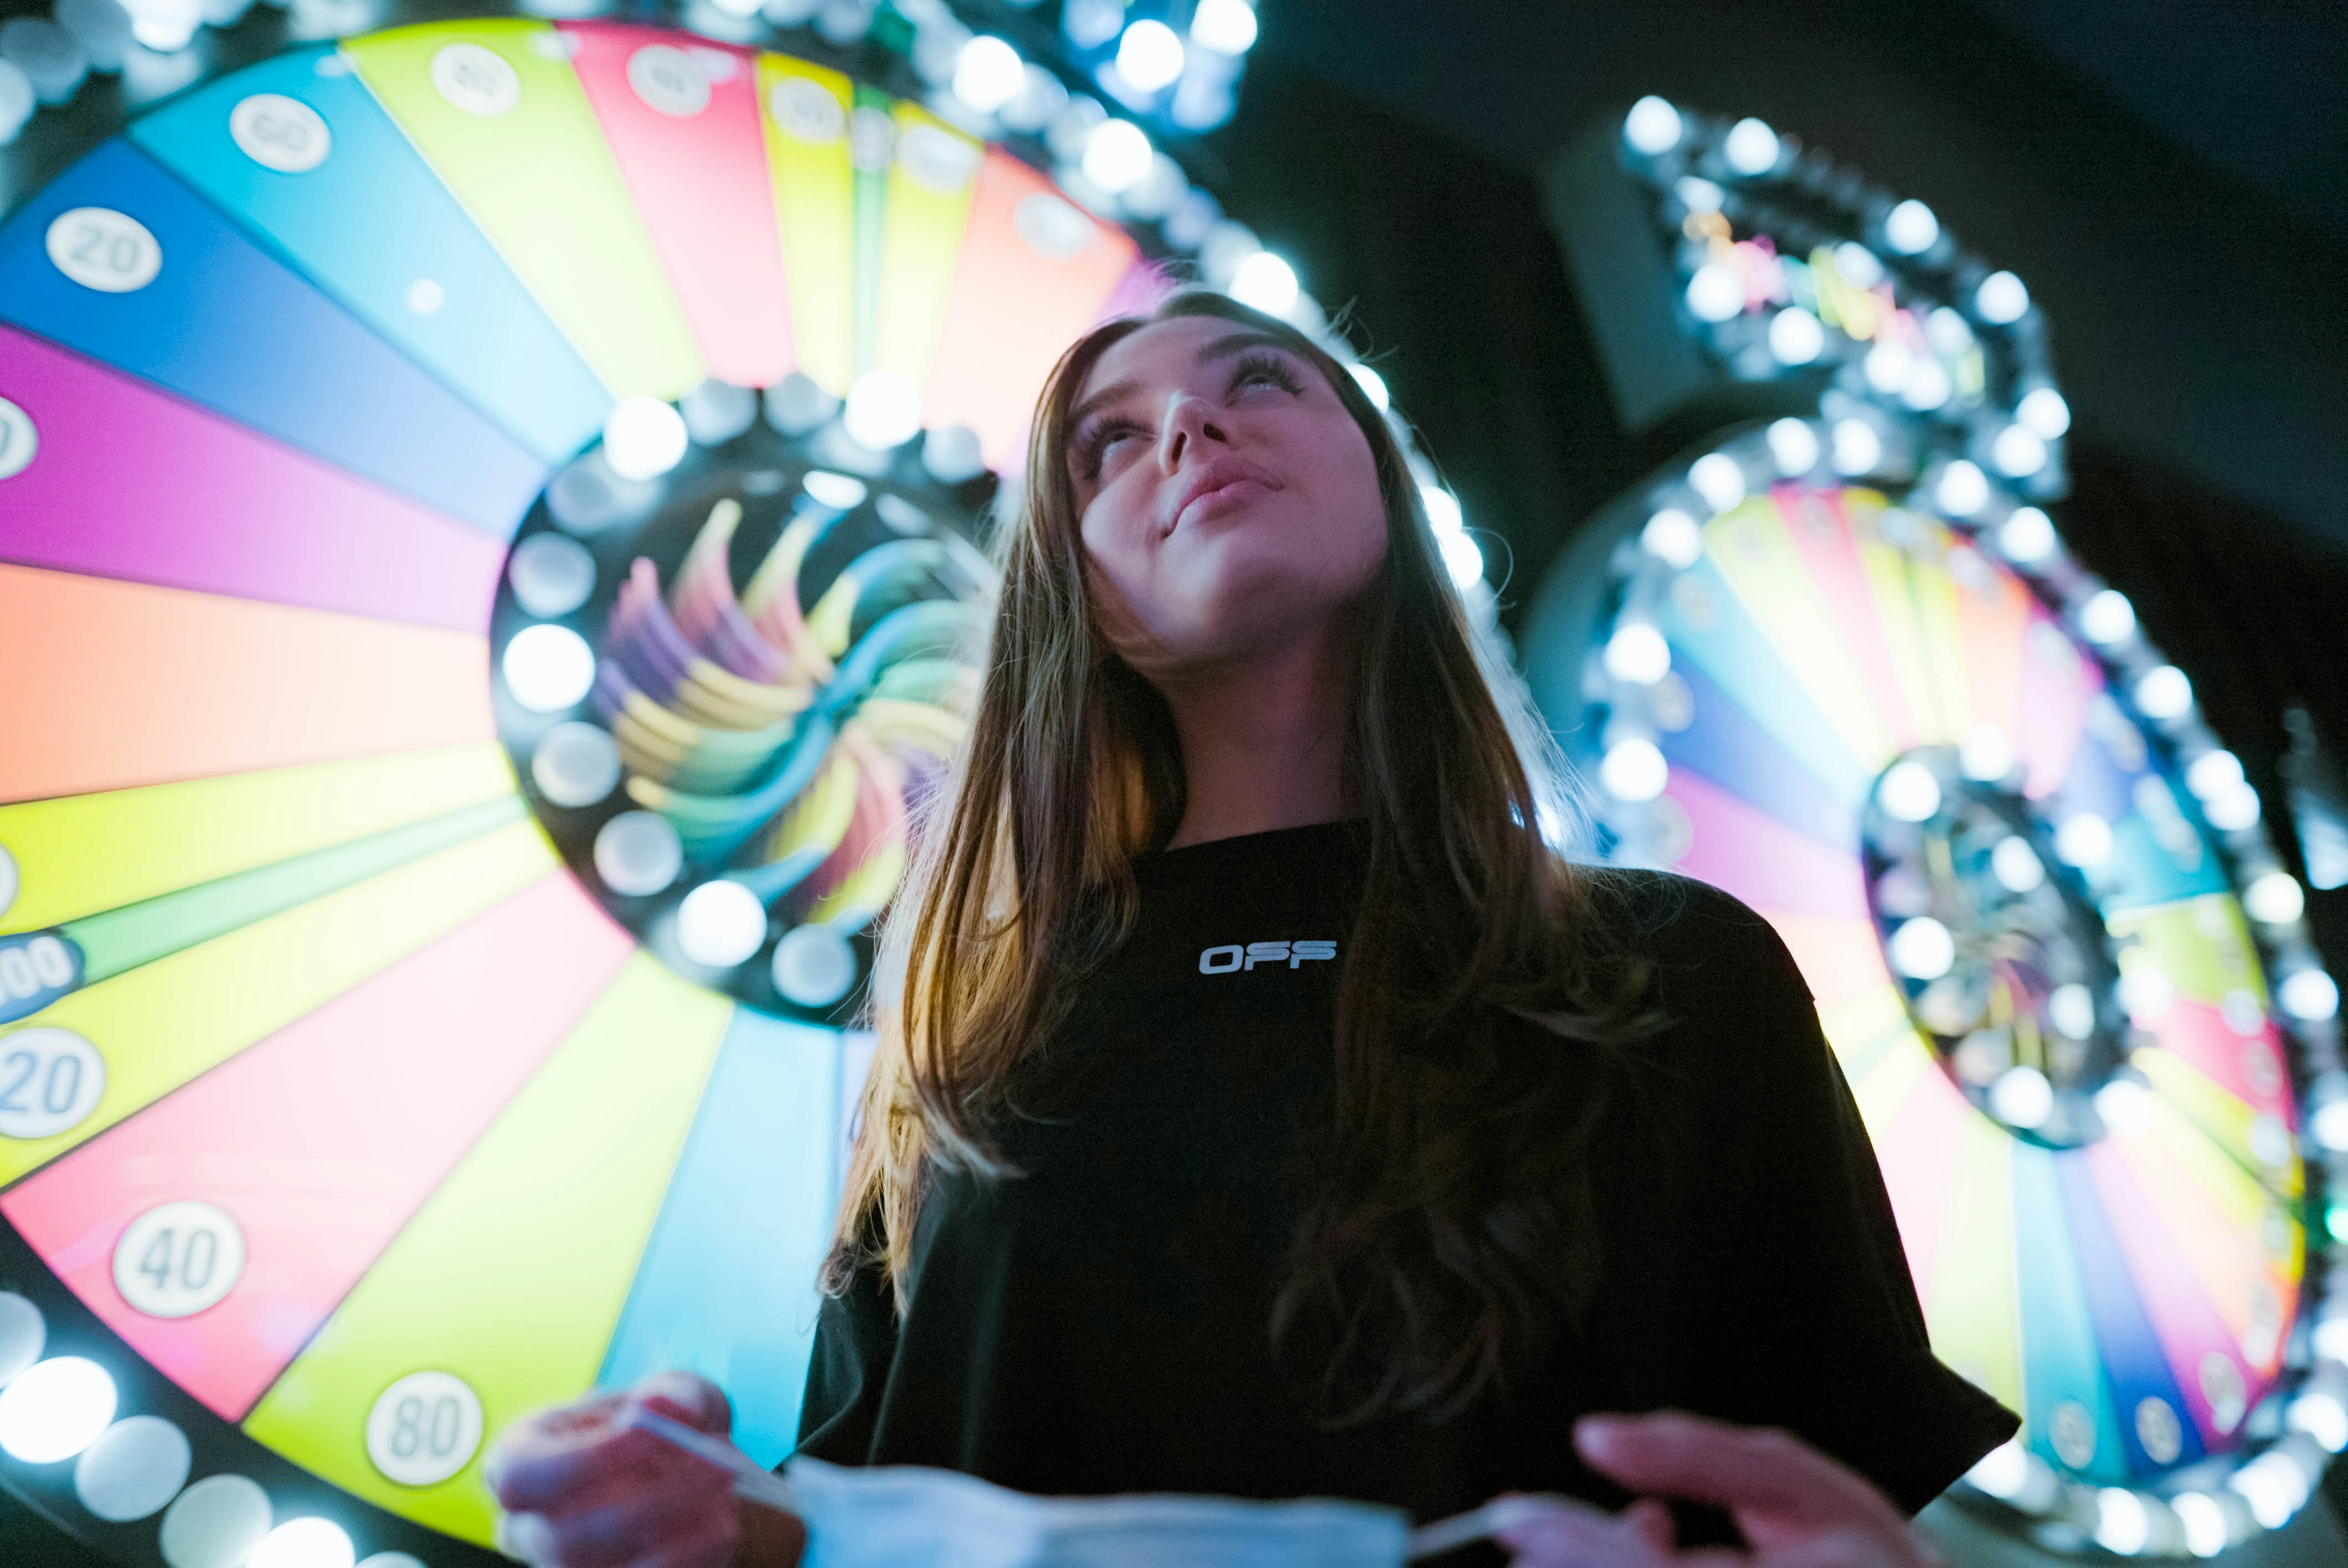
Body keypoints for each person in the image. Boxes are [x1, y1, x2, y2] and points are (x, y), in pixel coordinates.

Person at [485, 291, 2019, 1567]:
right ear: (1070, 596)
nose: (1186, 431)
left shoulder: (1675, 969)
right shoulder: (962, 1048)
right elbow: (851, 1510)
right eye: (1107, 441)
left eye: (1258, 381)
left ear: (1385, 482)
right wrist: (675, 1514)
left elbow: (1826, 1486)